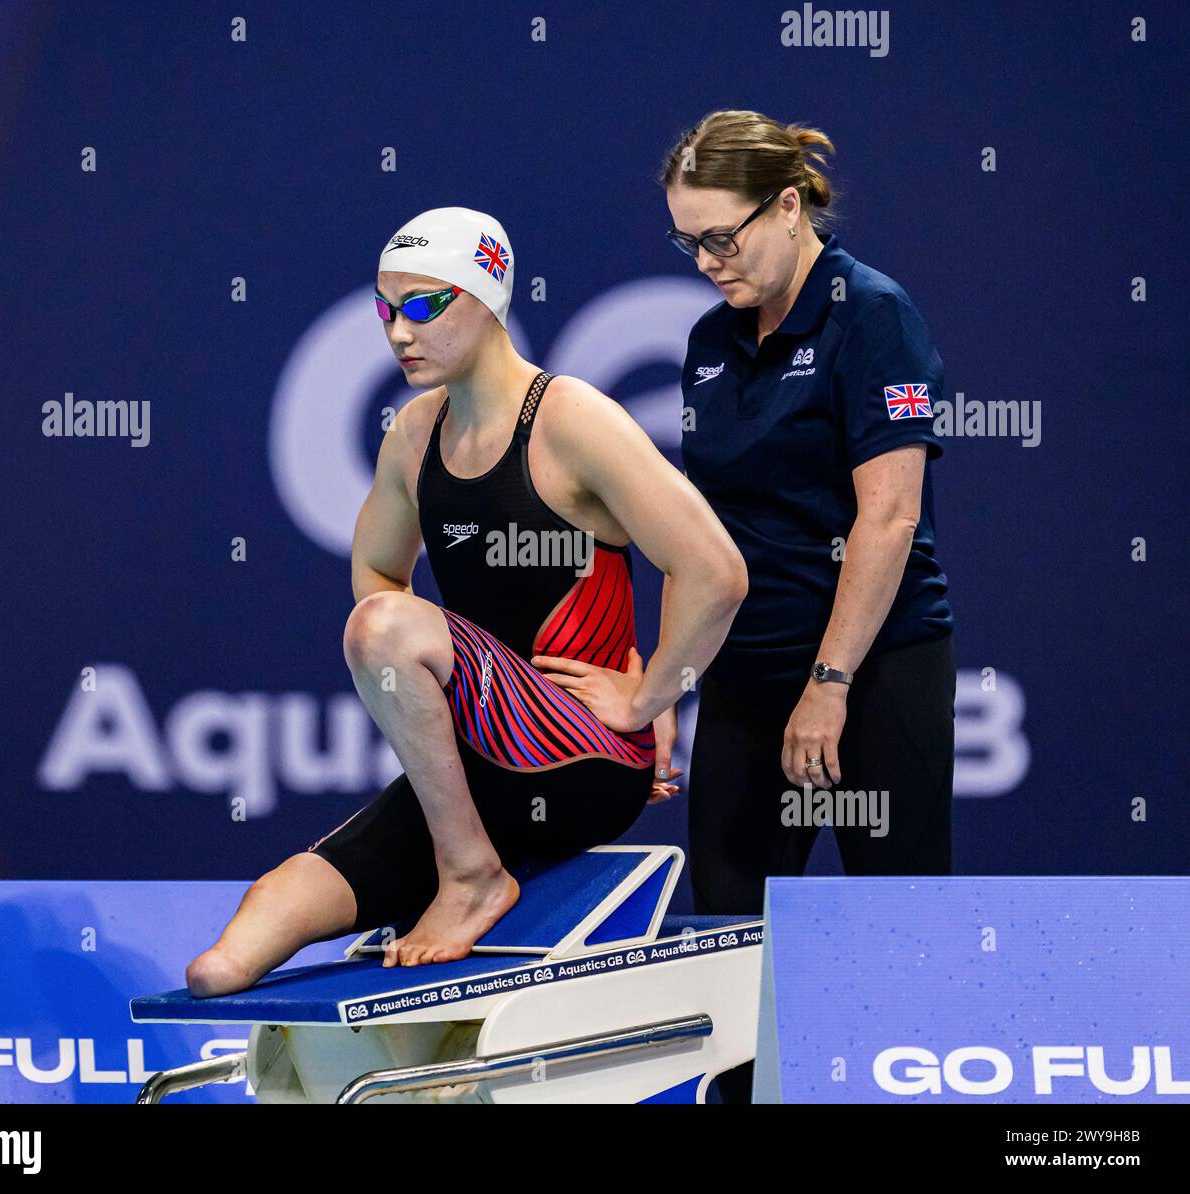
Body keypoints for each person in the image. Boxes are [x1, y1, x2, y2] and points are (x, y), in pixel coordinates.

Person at [185, 206, 746, 992]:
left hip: (582, 753)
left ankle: (472, 876)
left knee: (381, 629)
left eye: (421, 306)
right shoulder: (415, 434)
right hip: (483, 769)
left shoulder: (571, 420)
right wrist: (448, 700)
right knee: (228, 959)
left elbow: (716, 571)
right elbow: (378, 572)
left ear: (488, 299)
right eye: (386, 309)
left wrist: (652, 696)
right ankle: (466, 855)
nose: (397, 333)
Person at [655, 111, 956, 1098]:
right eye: (685, 241)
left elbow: (890, 515)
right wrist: (664, 689)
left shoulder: (873, 315)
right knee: (729, 945)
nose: (703, 262)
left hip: (872, 676)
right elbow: (689, 537)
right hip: (744, 685)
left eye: (719, 238)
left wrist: (828, 683)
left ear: (786, 207)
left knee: (897, 929)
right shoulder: (707, 342)